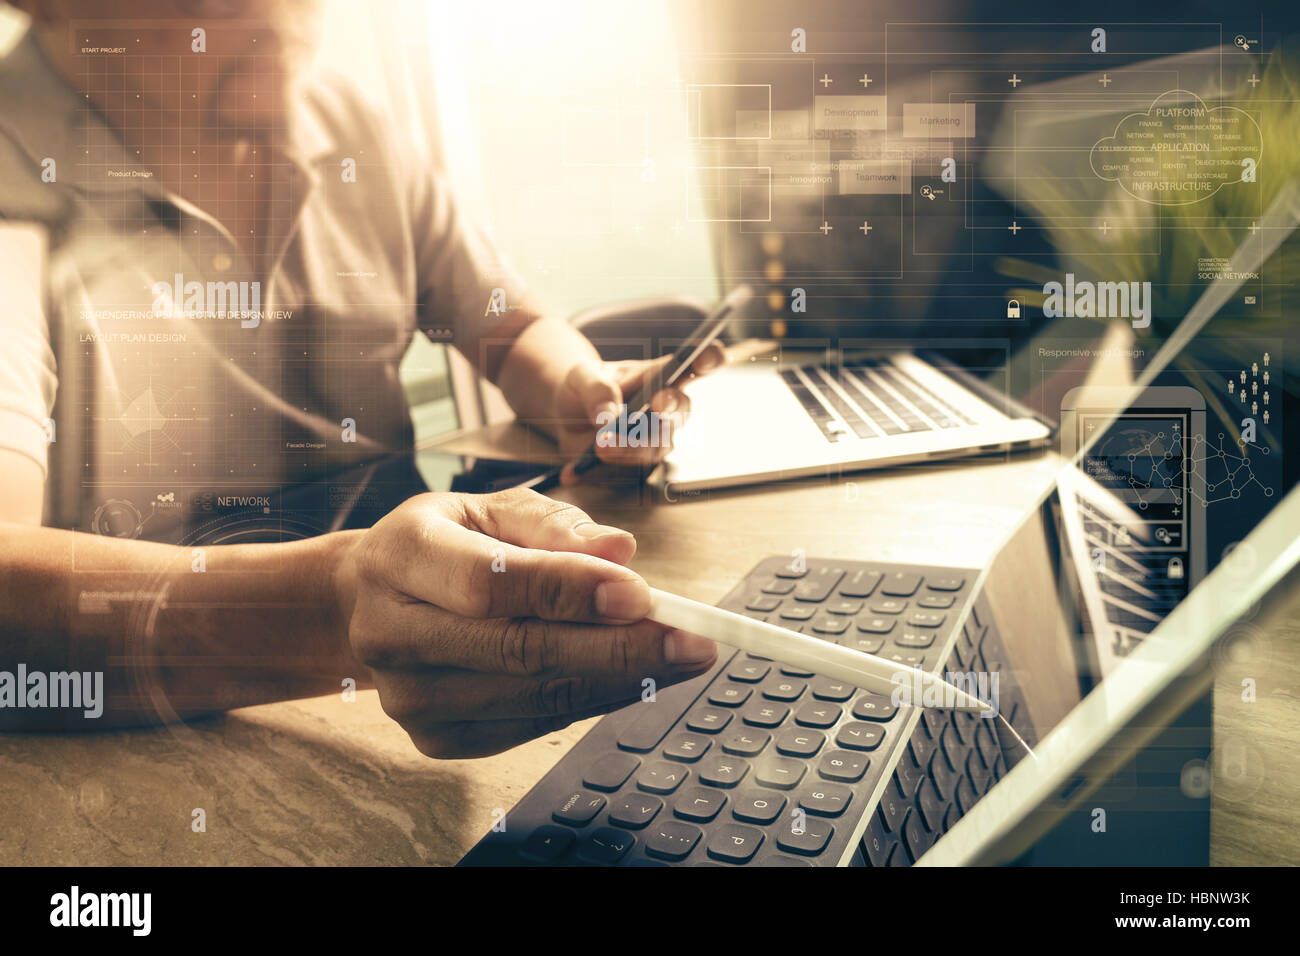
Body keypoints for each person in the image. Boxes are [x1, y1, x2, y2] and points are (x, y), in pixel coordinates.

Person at [0, 0, 721, 751]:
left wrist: (580, 390)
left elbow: (509, 331)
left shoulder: (342, 119)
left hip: (423, 664)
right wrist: (342, 610)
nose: (279, 13)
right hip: (171, 735)